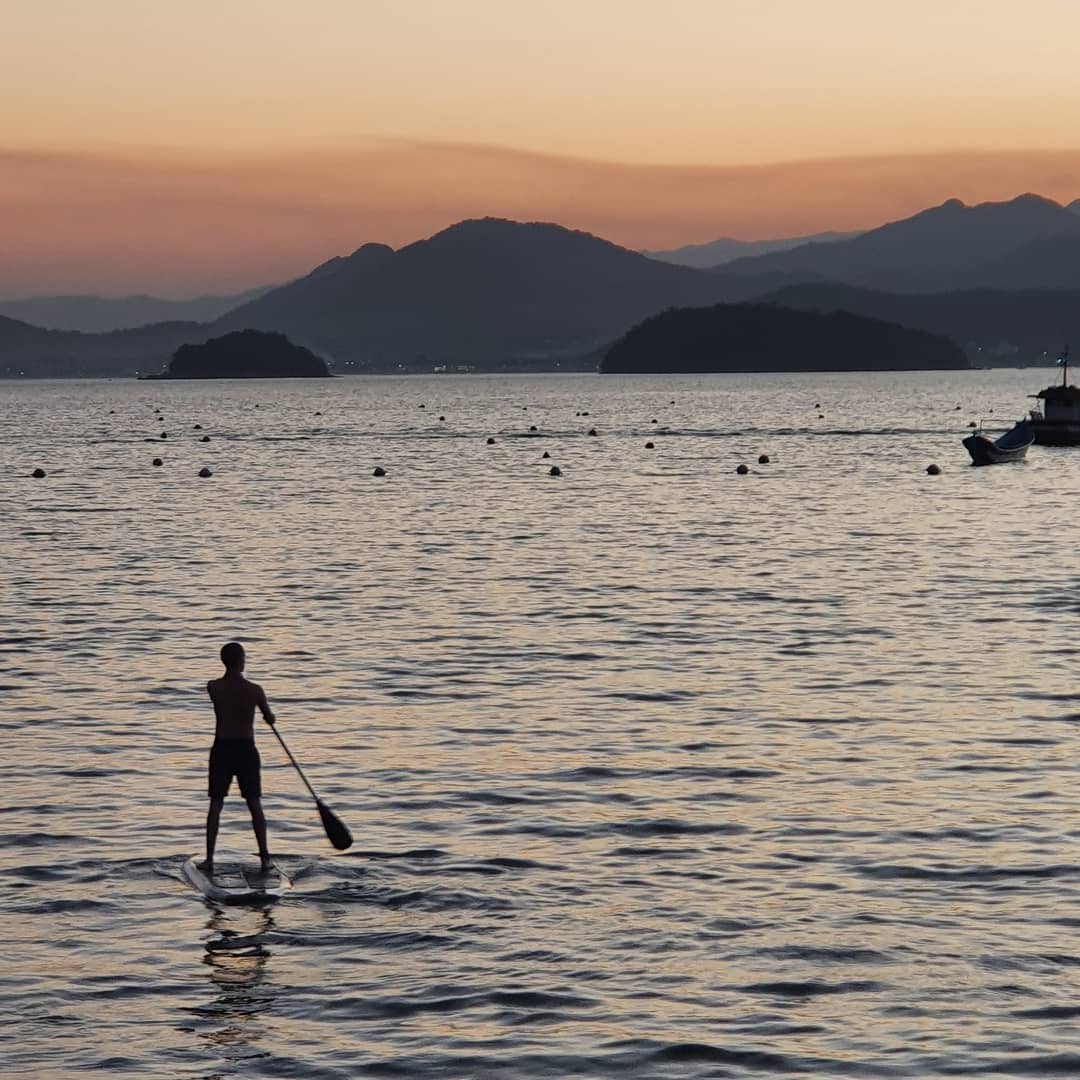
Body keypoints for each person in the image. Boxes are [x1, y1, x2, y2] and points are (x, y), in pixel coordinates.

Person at [199, 641, 276, 874]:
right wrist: (268, 717)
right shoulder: (255, 690)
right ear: (241, 661)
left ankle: (210, 859)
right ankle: (265, 859)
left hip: (222, 750)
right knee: (254, 804)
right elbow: (270, 717)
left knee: (216, 803)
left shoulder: (213, 687)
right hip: (246, 751)